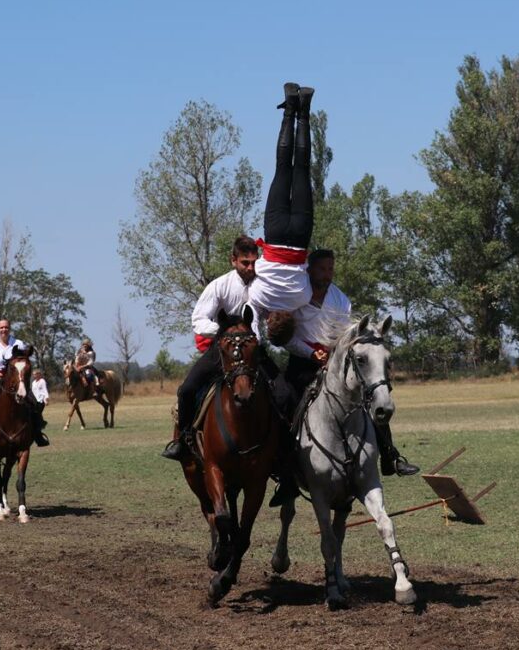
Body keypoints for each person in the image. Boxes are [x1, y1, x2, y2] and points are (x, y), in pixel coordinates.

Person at [285, 249, 419, 477]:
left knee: (371, 397)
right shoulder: (295, 297)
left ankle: (390, 457)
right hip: (302, 362)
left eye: (330, 269)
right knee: (284, 400)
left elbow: (347, 339)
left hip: (335, 363)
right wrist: (310, 353)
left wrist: (333, 357)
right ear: (309, 270)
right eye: (322, 269)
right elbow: (287, 337)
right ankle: (286, 471)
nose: (327, 274)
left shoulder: (340, 300)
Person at [161, 235, 260, 461]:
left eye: (254, 262)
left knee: (281, 392)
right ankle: (184, 441)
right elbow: (198, 319)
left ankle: (284, 453)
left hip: (254, 352)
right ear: (233, 260)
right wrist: (224, 334)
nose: (250, 267)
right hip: (221, 351)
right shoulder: (219, 286)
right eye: (245, 262)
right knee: (186, 390)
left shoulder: (263, 284)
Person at [246, 82, 316, 327]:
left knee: (302, 171)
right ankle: (289, 110)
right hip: (275, 235)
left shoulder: (302, 300)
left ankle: (304, 110)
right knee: (283, 168)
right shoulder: (258, 297)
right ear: (269, 321)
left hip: (298, 238)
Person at [0, 319, 49, 450]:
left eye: (6, 327)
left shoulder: (18, 343)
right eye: (1, 328)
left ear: (9, 329)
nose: (3, 330)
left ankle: (37, 434)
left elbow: (23, 361)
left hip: (17, 380)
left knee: (35, 404)